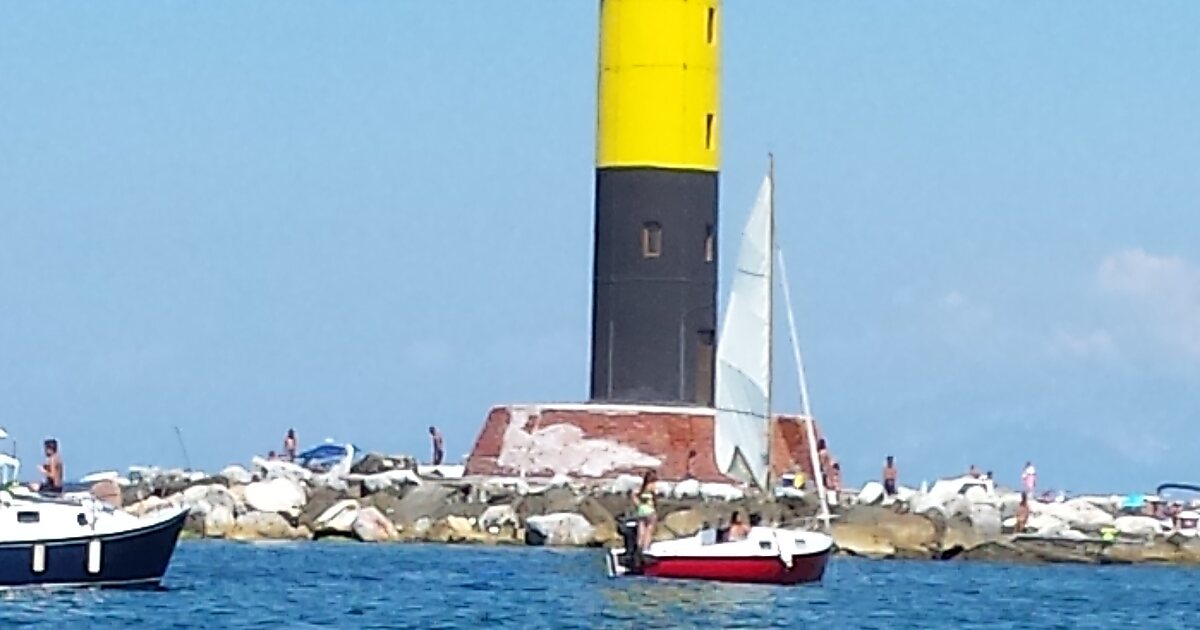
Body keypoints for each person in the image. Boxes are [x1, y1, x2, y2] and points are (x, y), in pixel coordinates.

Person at [635, 470, 658, 551]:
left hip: (641, 511)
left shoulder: (641, 487)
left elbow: (633, 494)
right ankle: (646, 549)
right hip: (650, 511)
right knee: (649, 531)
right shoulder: (652, 486)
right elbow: (655, 496)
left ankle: (638, 549)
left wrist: (638, 504)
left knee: (641, 532)